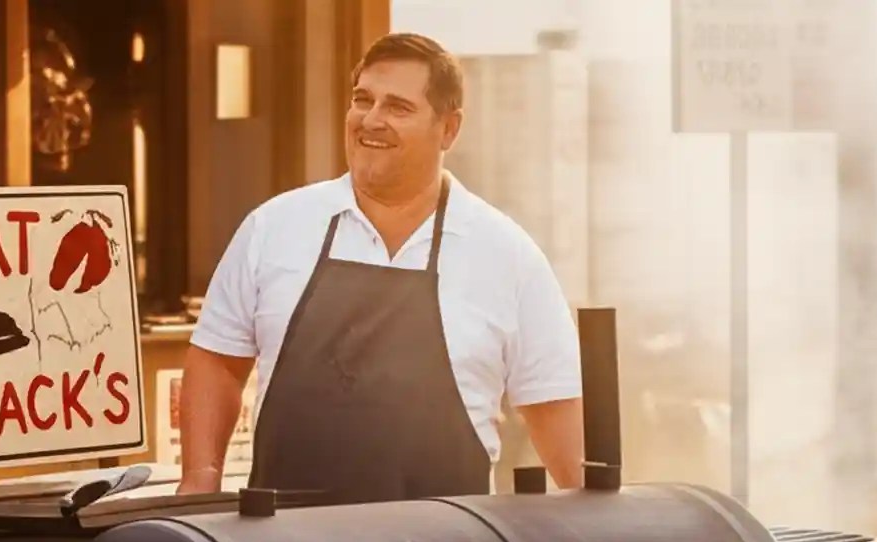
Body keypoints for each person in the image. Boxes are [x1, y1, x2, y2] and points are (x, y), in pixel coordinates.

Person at [176, 33, 584, 504]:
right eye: (362, 100)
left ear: (448, 129)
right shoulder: (274, 228)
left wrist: (596, 524)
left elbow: (551, 400)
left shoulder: (506, 254)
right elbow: (218, 361)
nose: (371, 120)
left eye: (398, 107)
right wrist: (200, 481)